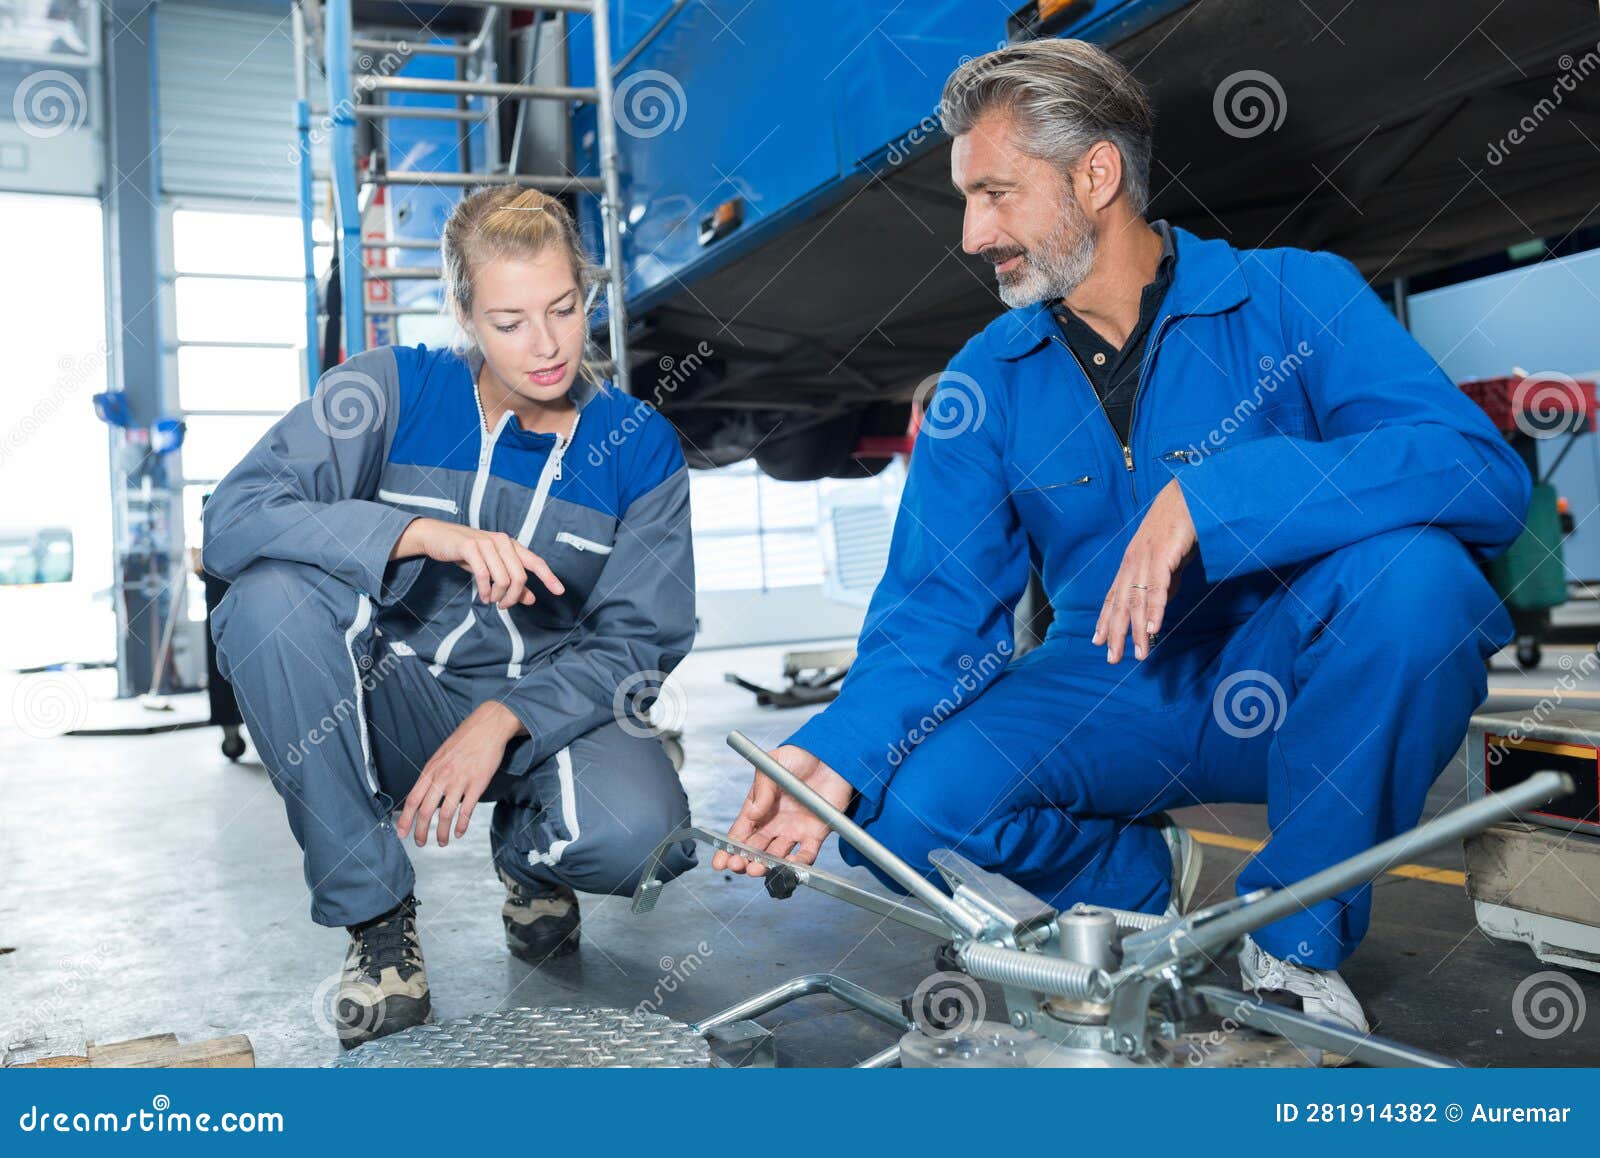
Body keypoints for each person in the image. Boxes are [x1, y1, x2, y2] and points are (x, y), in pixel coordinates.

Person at [715, 39, 1529, 1039]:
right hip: (1106, 682)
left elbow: (1474, 471)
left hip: (1298, 674)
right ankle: (1134, 887)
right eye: (968, 200)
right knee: (900, 814)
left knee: (1420, 586)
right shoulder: (984, 380)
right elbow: (934, 611)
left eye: (997, 194)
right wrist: (829, 752)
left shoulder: (1290, 297)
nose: (974, 234)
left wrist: (1215, 497)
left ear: (1095, 175)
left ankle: (1292, 946)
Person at [204, 187, 698, 1048]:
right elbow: (233, 518)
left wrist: (507, 718)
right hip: (399, 701)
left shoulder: (639, 445)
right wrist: (418, 533)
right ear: (465, 314)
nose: (545, 346)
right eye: (509, 321)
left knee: (641, 843)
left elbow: (641, 639)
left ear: (587, 294)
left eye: (563, 308)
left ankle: (526, 854)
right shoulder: (388, 390)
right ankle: (379, 919)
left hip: (551, 714)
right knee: (267, 600)